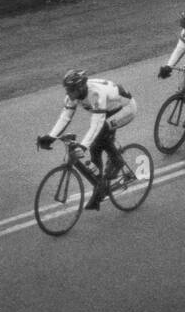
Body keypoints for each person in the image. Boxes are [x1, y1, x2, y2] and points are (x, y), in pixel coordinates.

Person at [37, 69, 137, 210]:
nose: (68, 93)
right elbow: (65, 116)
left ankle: (116, 163)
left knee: (98, 139)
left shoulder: (95, 94)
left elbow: (96, 124)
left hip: (126, 109)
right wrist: (51, 136)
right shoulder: (73, 95)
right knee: (96, 144)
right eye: (67, 89)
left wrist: (83, 146)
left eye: (71, 90)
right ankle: (100, 185)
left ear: (80, 87)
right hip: (108, 110)